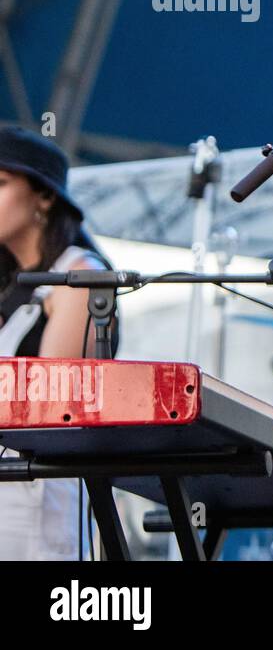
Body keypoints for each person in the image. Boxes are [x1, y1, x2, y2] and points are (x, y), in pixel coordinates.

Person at [0, 126, 117, 559]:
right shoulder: (8, 283)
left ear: (45, 198)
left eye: (1, 183)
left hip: (38, 499)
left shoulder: (81, 275)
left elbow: (50, 404)